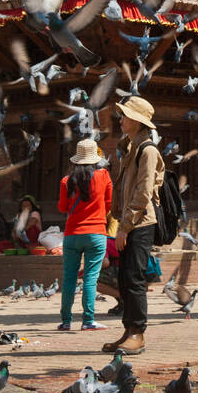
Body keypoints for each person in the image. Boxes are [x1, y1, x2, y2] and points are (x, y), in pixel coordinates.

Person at [102, 96, 165, 356]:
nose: (121, 119)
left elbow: (143, 192)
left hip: (140, 223)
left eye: (125, 115)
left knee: (135, 279)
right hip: (128, 223)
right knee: (125, 278)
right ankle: (128, 331)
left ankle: (138, 333)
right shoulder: (130, 148)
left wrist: (125, 226)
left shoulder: (147, 150)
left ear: (138, 121)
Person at [57, 139, 113, 332]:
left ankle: (66, 321)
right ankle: (88, 321)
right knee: (90, 278)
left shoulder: (66, 181)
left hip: (72, 234)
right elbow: (108, 205)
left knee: (69, 278)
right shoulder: (104, 176)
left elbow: (63, 207)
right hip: (96, 233)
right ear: (95, 159)